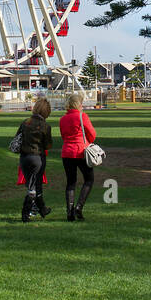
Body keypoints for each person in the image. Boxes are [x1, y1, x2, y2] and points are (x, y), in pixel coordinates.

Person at [59, 92, 98, 221]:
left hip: (67, 152)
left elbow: (63, 136)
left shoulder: (63, 119)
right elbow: (92, 134)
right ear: (78, 104)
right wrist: (87, 141)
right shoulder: (82, 116)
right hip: (81, 151)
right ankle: (79, 207)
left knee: (71, 182)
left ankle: (69, 212)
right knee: (89, 179)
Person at [16, 97, 53, 222]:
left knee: (31, 184)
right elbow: (48, 145)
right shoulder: (45, 126)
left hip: (24, 157)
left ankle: (42, 208)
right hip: (37, 157)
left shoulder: (25, 122)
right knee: (34, 186)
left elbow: (18, 138)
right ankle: (26, 214)